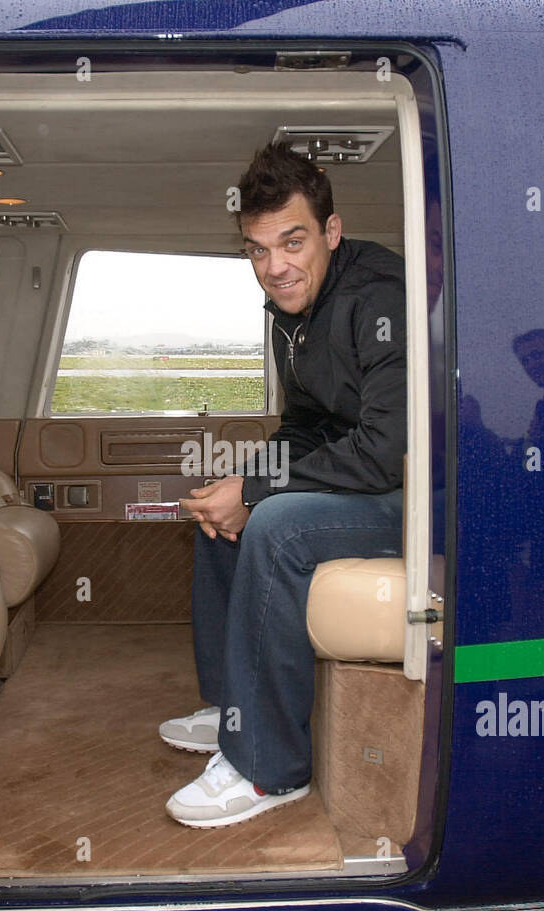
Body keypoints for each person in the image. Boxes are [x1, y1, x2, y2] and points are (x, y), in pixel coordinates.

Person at [159, 142, 407, 828]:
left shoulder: (379, 299)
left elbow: (388, 452)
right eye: (257, 249)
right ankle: (233, 710)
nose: (274, 267)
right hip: (364, 479)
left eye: (292, 242)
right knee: (229, 513)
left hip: (419, 499)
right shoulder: (289, 314)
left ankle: (268, 769)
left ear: (331, 231)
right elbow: (303, 428)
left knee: (272, 521)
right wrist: (242, 482)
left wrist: (260, 494)